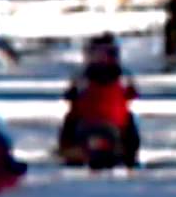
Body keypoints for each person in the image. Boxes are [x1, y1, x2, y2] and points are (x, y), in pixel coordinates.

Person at [59, 32, 141, 167]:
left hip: (91, 122)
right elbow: (132, 94)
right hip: (111, 123)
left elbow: (70, 95)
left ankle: (69, 151)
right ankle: (130, 155)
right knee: (129, 119)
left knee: (70, 118)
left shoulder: (83, 76)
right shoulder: (122, 76)